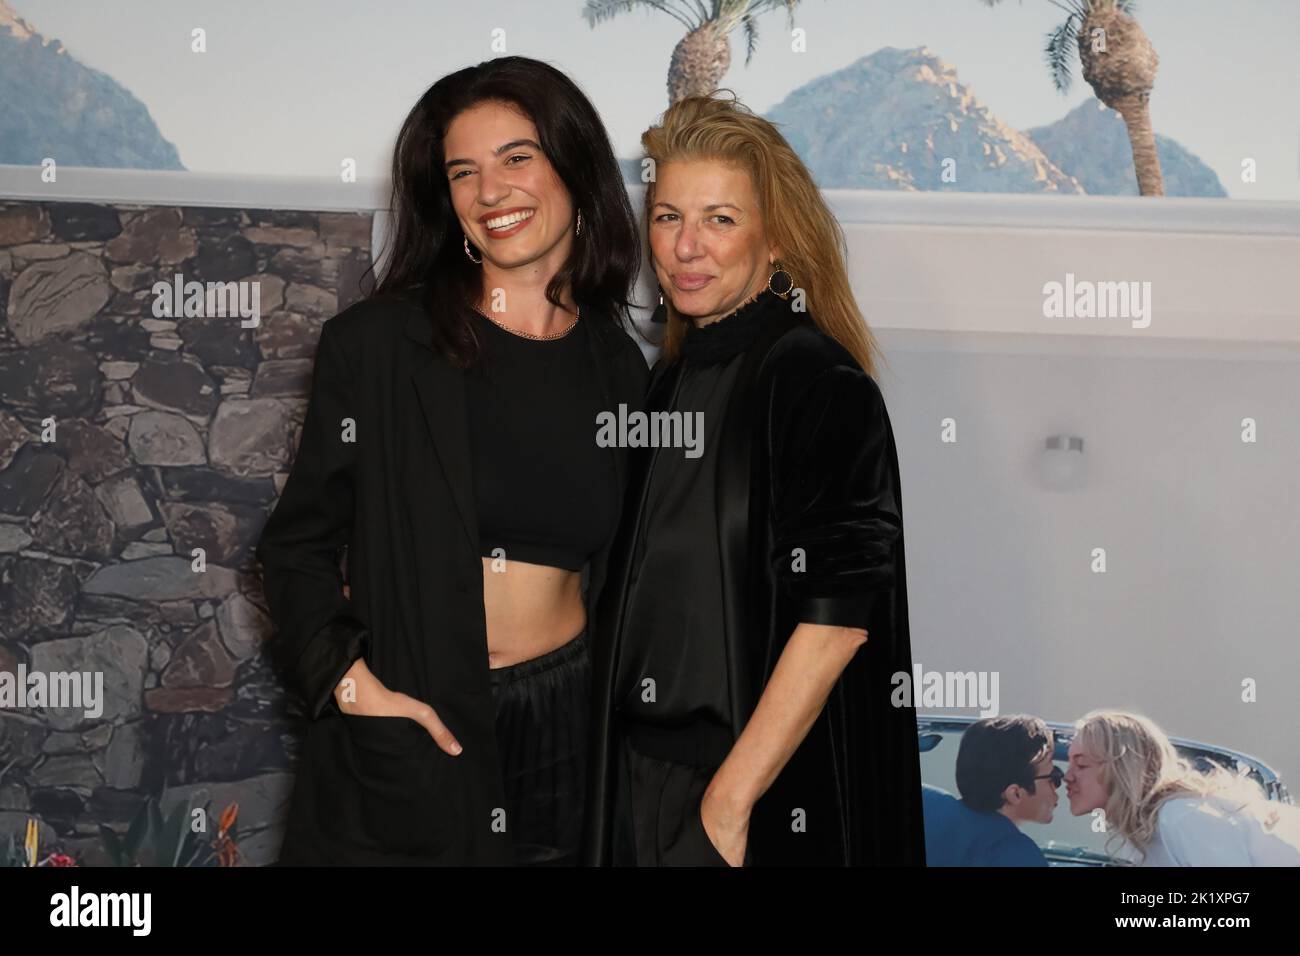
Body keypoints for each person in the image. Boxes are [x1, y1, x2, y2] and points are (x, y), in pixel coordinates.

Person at [256, 56, 648, 865]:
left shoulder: (617, 365)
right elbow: (295, 547)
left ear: (575, 168)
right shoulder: (376, 347)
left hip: (566, 732)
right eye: (463, 172)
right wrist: (352, 688)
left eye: (516, 158)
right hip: (414, 722)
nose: (490, 191)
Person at [582, 91, 925, 867]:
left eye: (720, 219)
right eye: (668, 217)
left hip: (747, 798)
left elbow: (838, 620)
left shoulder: (815, 380)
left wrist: (727, 806)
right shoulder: (668, 384)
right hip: (639, 782)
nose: (686, 246)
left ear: (775, 241)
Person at [1066, 709, 1300, 866]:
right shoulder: (1140, 837)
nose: (1067, 777)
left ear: (1123, 769)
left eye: (1082, 765)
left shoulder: (1182, 816)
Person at [922, 715, 1057, 866]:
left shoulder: (932, 814)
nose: (1059, 785)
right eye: (1054, 777)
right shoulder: (1015, 854)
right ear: (1015, 794)